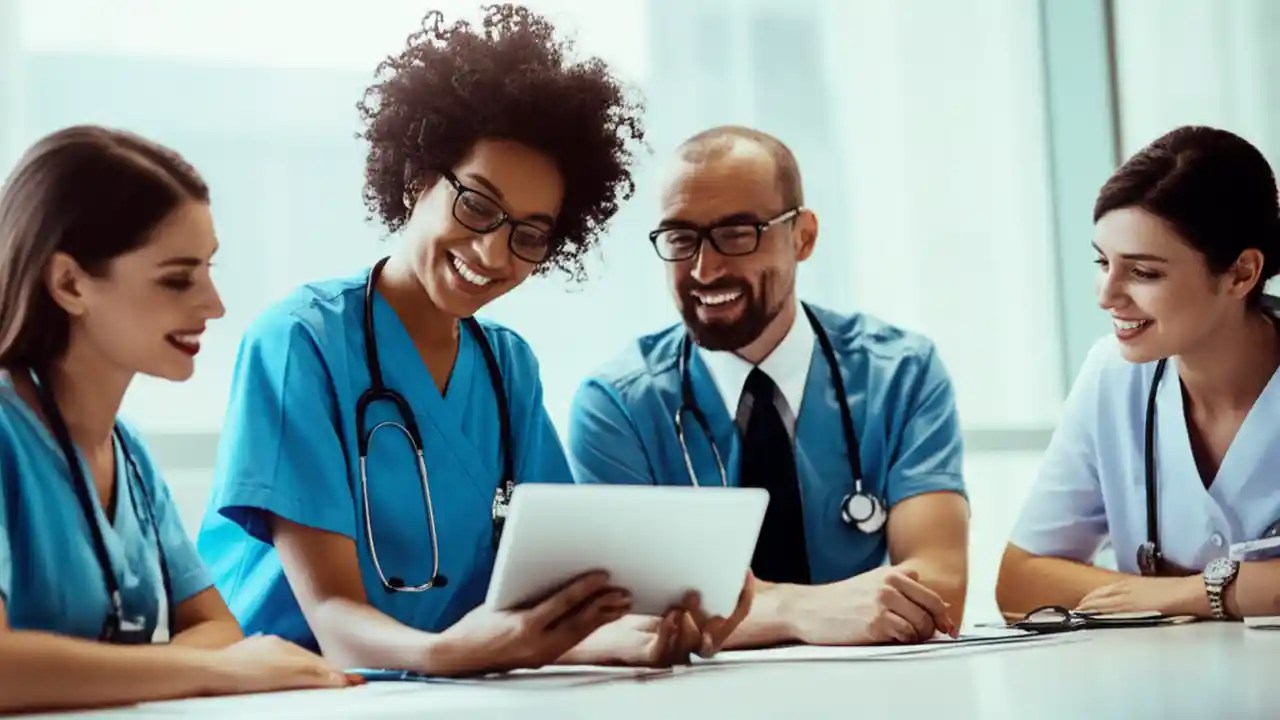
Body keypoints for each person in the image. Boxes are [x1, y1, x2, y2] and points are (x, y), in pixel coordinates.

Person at [197, 4, 749, 677]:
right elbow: (334, 622)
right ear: (417, 180)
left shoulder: (506, 367)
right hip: (287, 693)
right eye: (477, 206)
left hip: (439, 690)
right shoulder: (300, 342)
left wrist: (628, 637)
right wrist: (450, 654)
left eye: (529, 234)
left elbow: (528, 608)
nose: (493, 252)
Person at [568, 125, 968, 647]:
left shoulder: (901, 374)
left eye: (738, 234)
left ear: (803, 236)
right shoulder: (617, 404)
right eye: (681, 239)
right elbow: (628, 617)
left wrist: (725, 613)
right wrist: (797, 611)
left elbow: (939, 587)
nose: (705, 269)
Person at [0, 126, 353, 714]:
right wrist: (210, 671)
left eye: (209, 269)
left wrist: (189, 666)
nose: (214, 304)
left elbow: (219, 629)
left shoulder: (128, 452)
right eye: (177, 279)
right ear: (69, 283)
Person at [996, 125, 1280, 621]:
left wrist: (1187, 595)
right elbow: (1021, 581)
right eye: (1102, 262)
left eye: (1144, 272)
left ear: (1241, 273)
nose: (1106, 295)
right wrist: (1243, 589)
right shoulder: (1113, 376)